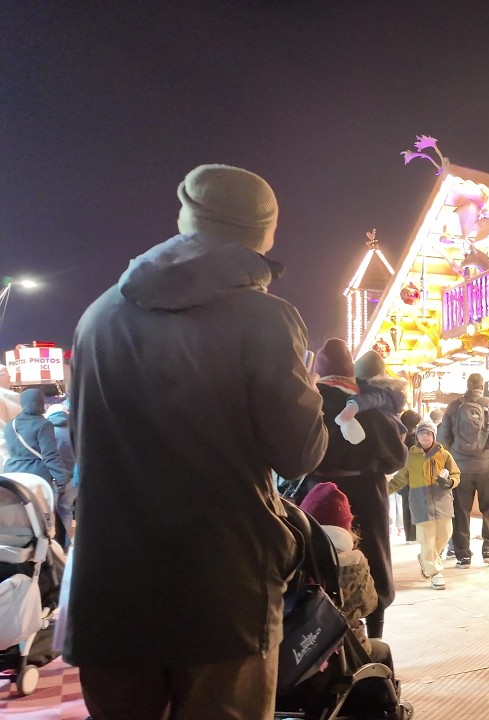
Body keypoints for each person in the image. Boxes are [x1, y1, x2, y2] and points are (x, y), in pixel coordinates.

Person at [66, 164, 329, 719]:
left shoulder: (98, 317)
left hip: (108, 588)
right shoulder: (266, 319)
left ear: (185, 220)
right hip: (222, 591)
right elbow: (299, 452)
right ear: (264, 234)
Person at [304, 338, 408, 639]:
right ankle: (375, 633)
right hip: (366, 492)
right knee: (373, 557)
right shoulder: (370, 408)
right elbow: (396, 459)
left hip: (316, 492)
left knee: (321, 559)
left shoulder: (309, 406)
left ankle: (323, 636)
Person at [298, 482, 392, 667]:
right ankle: (387, 696)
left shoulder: (296, 560)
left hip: (302, 654)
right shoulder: (355, 562)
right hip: (348, 652)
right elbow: (370, 605)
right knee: (383, 650)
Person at [439, 372, 489, 567]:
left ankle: (463, 554)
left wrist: (450, 459)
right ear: (482, 386)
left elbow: (442, 437)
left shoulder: (454, 406)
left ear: (467, 385)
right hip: (486, 466)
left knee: (461, 510)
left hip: (460, 467)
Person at [390, 421, 460, 590]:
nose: (425, 436)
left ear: (433, 436)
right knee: (426, 539)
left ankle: (425, 558)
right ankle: (435, 572)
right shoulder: (410, 456)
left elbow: (456, 474)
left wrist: (450, 482)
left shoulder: (444, 454)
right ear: (417, 436)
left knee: (445, 533)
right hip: (419, 501)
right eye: (422, 433)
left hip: (442, 498)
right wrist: (383, 490)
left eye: (428, 433)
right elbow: (400, 479)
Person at [3, 389, 71, 541]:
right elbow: (50, 455)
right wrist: (62, 478)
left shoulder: (10, 424)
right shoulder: (44, 424)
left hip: (12, 473)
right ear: (40, 402)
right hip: (36, 475)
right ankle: (54, 549)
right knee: (44, 516)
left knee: (20, 514)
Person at [335, 350, 410, 444]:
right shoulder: (389, 392)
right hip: (394, 431)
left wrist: (353, 405)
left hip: (386, 432)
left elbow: (373, 397)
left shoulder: (376, 391)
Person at [43, 401, 78, 547]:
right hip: (74, 478)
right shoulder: (75, 430)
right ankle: (65, 543)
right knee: (66, 508)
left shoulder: (46, 431)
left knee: (51, 512)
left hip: (54, 478)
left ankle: (53, 544)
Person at [397, 408, 422, 543]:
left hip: (403, 474)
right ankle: (417, 533)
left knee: (406, 504)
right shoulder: (419, 435)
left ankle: (409, 536)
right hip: (417, 474)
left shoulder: (399, 434)